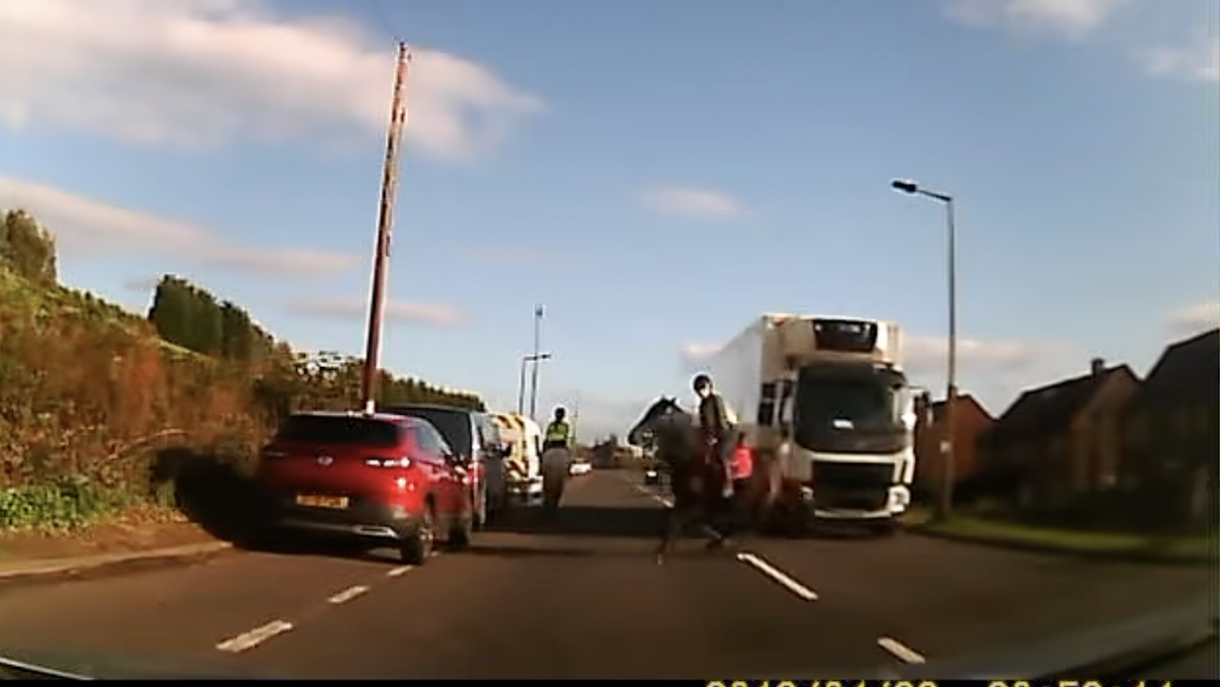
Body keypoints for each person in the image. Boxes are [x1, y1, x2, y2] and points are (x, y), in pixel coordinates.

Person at [692, 373, 739, 545]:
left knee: (720, 455)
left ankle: (727, 484)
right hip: (712, 435)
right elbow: (704, 424)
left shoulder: (716, 400)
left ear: (709, 387)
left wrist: (715, 437)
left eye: (702, 389)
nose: (700, 392)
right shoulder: (703, 404)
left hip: (726, 434)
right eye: (698, 390)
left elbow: (721, 421)